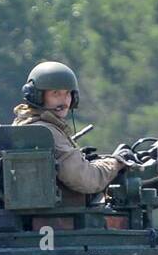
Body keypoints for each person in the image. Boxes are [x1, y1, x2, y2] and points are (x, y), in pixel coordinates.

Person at [12, 61, 125, 205]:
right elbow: (86, 179)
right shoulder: (46, 132)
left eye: (68, 94)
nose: (65, 101)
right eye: (56, 93)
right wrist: (117, 162)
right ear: (37, 96)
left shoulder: (22, 125)